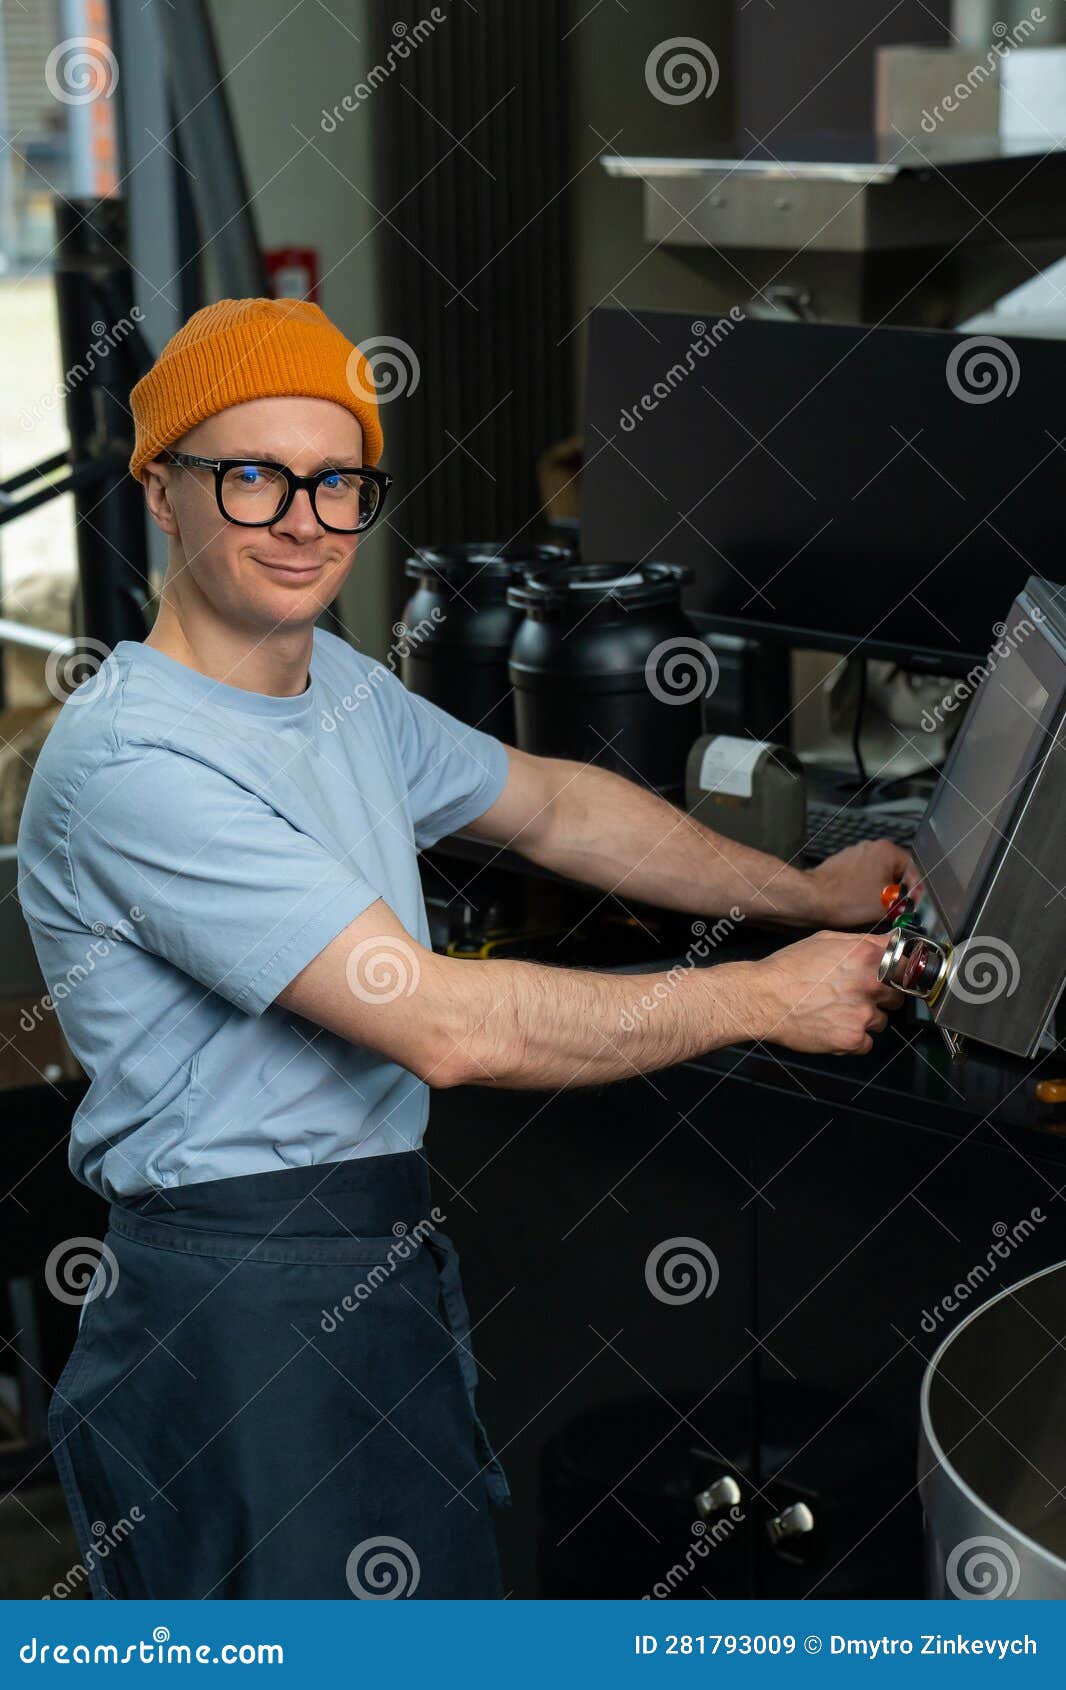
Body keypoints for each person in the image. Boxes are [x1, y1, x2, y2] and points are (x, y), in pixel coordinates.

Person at [16, 296, 905, 1600]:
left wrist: (801, 893)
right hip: (236, 1315)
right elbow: (442, 1022)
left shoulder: (339, 687)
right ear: (163, 490)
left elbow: (551, 802)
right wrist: (761, 996)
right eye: (253, 476)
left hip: (376, 1275)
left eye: (337, 482)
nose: (304, 519)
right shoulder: (135, 759)